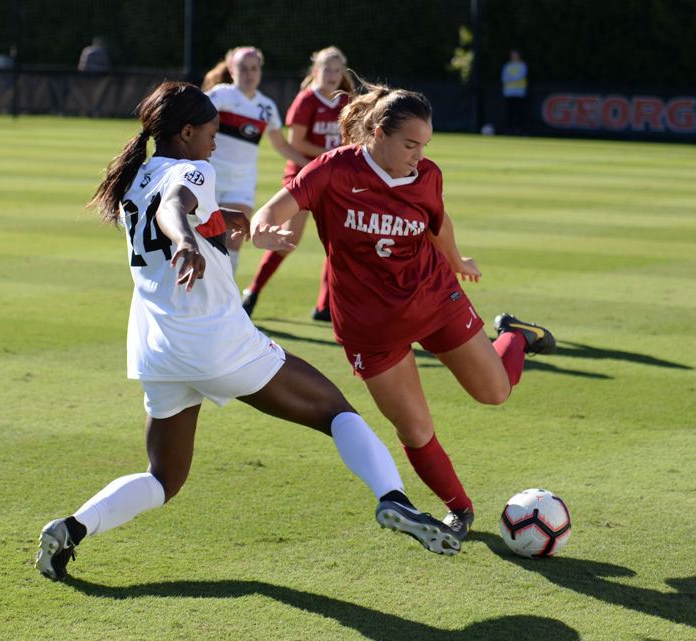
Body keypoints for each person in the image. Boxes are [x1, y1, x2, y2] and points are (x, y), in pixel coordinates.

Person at [34, 81, 458, 581]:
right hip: (214, 339)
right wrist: (188, 240)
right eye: (213, 132)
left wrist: (227, 220)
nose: (218, 142)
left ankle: (72, 528)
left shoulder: (135, 177)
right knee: (335, 412)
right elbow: (174, 207)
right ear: (186, 132)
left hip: (157, 346)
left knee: (163, 478)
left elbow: (170, 206)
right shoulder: (193, 168)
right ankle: (393, 498)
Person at [250, 80, 557, 544]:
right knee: (413, 428)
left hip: (434, 300)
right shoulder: (333, 169)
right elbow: (278, 205)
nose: (419, 154)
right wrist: (260, 229)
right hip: (368, 327)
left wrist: (456, 261)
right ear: (377, 133)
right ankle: (460, 510)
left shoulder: (427, 175)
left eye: (425, 145)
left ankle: (514, 335)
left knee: (495, 392)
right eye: (410, 144)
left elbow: (438, 221)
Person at [241, 46, 354, 321]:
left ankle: (324, 306)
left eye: (337, 70)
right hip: (304, 176)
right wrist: (332, 157)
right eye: (327, 69)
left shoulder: (346, 101)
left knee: (339, 241)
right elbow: (297, 143)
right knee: (288, 238)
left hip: (334, 178)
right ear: (316, 71)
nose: (331, 74)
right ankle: (252, 292)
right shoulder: (306, 100)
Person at [201, 46, 309, 276]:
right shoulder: (221, 95)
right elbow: (195, 119)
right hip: (211, 176)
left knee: (234, 242)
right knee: (205, 237)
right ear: (232, 70)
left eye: (254, 69)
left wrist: (308, 165)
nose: (249, 74)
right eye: (243, 68)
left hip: (242, 182)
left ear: (260, 71)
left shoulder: (266, 107)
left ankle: (225, 299)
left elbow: (280, 144)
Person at [501, 49, 527, 135]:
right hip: (508, 93)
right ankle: (508, 130)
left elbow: (519, 77)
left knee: (519, 112)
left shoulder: (522, 65)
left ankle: (519, 130)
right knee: (509, 113)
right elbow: (504, 78)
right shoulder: (507, 66)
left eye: (515, 54)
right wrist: (513, 78)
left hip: (519, 93)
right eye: (513, 54)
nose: (514, 56)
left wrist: (511, 78)